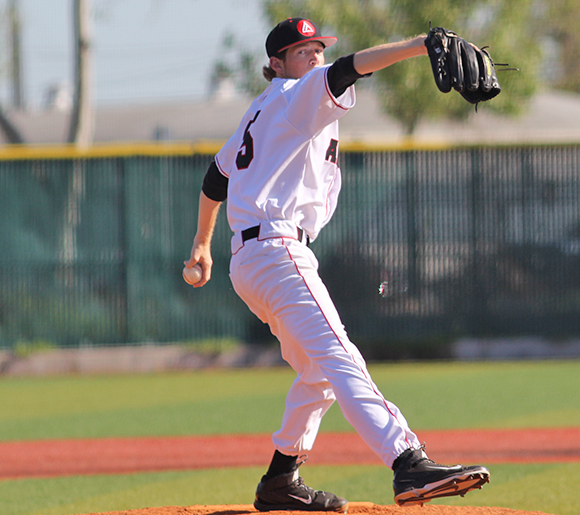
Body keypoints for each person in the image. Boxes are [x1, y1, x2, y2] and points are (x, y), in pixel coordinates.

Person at [185, 17, 489, 511]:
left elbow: (216, 178)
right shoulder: (293, 95)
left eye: (317, 49)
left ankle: (280, 479)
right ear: (276, 64)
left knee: (318, 373)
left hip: (255, 258)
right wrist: (420, 44)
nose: (314, 57)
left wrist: (203, 244)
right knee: (339, 355)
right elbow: (350, 68)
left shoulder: (261, 110)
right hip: (279, 249)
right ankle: (408, 462)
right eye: (301, 50)